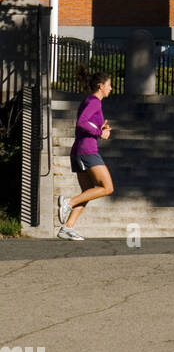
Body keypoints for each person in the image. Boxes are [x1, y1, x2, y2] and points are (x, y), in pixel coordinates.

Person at [57, 69, 115, 240]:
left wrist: (101, 129)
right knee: (107, 187)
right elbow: (82, 122)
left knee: (88, 191)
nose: (111, 88)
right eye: (109, 85)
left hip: (81, 149)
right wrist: (99, 132)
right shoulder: (94, 101)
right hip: (86, 151)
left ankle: (67, 228)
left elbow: (87, 122)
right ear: (101, 86)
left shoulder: (91, 101)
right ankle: (68, 202)